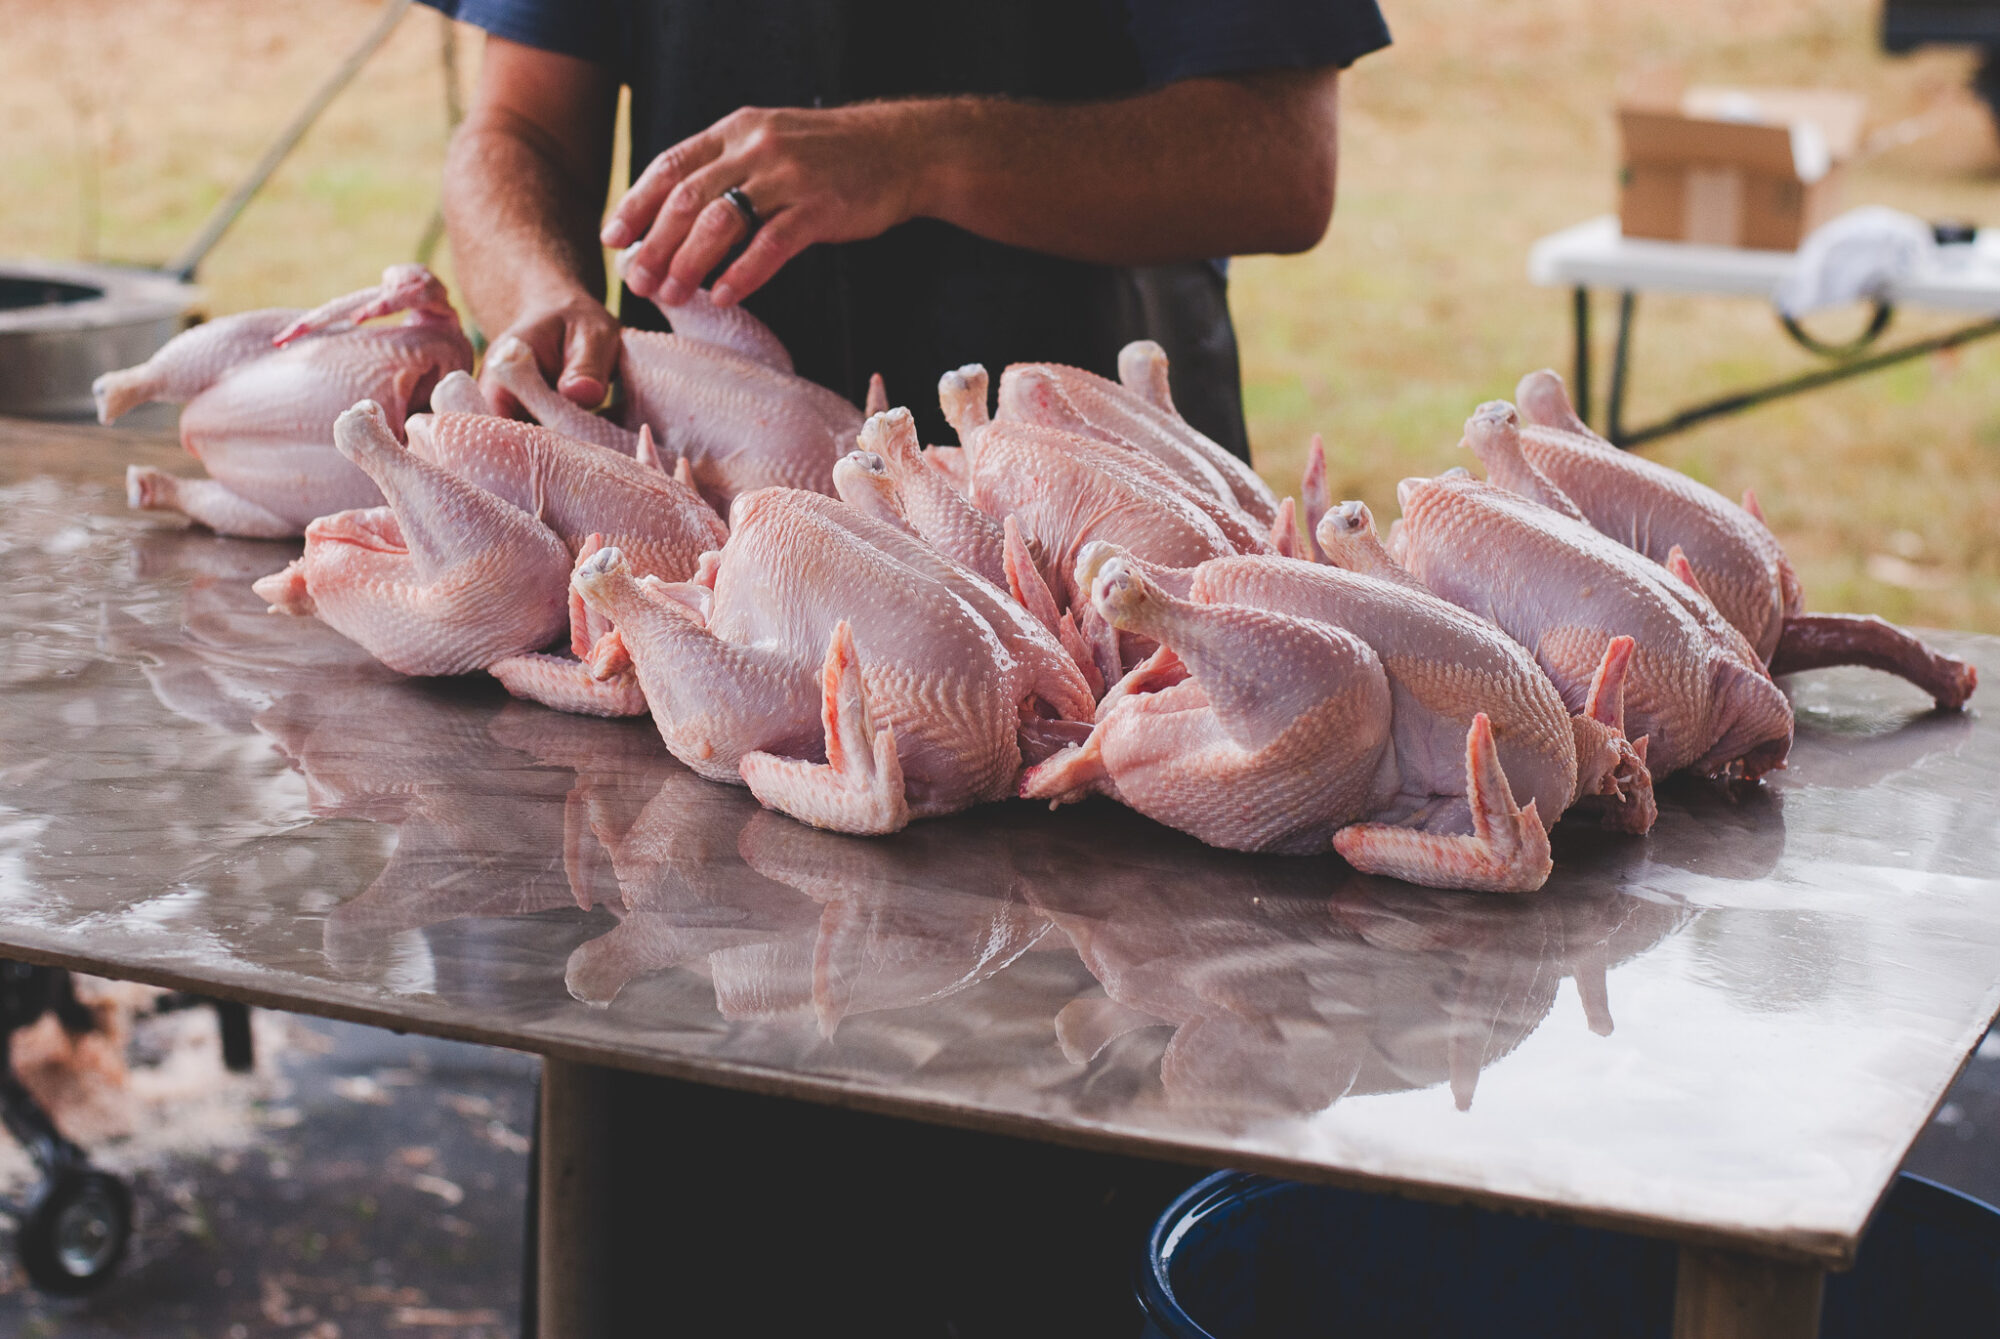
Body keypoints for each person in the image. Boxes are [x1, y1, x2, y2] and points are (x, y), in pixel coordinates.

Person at [428, 2, 1390, 457]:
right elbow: (519, 129)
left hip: (1104, 532)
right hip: (714, 530)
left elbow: (1279, 162)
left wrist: (920, 153)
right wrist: (538, 294)